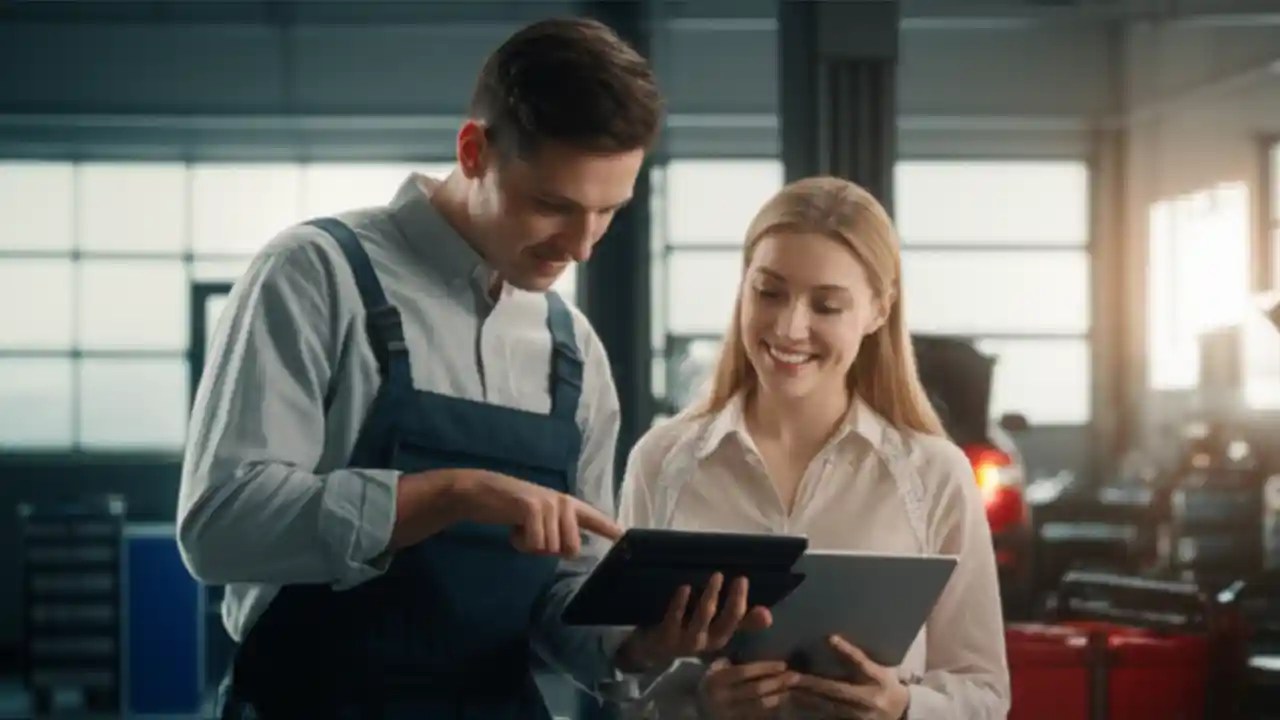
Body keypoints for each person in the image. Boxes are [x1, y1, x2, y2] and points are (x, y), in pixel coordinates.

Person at [178, 17, 765, 719]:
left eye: (608, 211)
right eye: (554, 206)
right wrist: (449, 494)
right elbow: (218, 529)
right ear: (473, 149)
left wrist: (637, 647)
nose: (581, 248)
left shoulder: (572, 348)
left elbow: (561, 600)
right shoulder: (314, 275)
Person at [618, 176, 1012, 719]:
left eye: (827, 306)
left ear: (878, 311)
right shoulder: (662, 462)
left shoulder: (934, 475)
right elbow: (616, 683)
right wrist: (698, 704)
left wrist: (902, 709)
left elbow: (986, 695)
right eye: (768, 292)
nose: (789, 327)